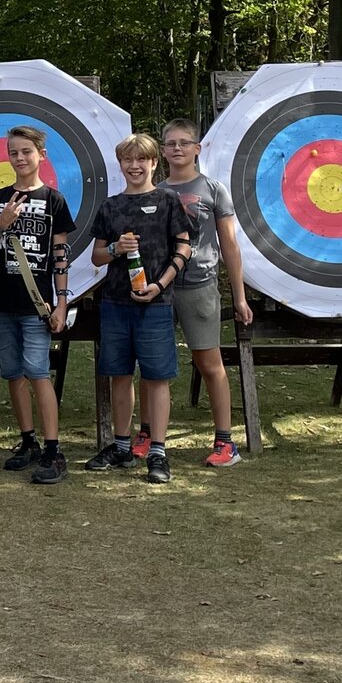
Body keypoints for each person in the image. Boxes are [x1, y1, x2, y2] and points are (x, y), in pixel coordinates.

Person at [134, 117, 253, 467]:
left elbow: (229, 244)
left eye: (184, 143)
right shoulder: (152, 191)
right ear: (162, 150)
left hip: (200, 285)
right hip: (158, 288)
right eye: (170, 143)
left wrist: (240, 297)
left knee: (209, 362)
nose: (177, 148)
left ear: (197, 149)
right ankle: (146, 434)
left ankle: (225, 442)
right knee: (152, 363)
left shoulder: (213, 189)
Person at [85, 133, 194, 484]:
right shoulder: (111, 206)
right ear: (121, 165)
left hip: (157, 303)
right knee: (119, 375)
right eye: (128, 160)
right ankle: (120, 446)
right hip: (115, 302)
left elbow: (184, 249)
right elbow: (97, 257)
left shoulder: (168, 201)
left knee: (157, 377)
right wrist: (116, 248)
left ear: (153, 163)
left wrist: (160, 285)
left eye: (141, 160)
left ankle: (158, 452)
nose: (134, 166)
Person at [0, 125, 75, 484]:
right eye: (13, 152)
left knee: (38, 371)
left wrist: (61, 303)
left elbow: (61, 255)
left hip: (38, 303)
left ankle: (53, 450)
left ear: (40, 155)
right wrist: (1, 225)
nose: (19, 158)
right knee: (13, 372)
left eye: (26, 152)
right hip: (3, 300)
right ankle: (28, 440)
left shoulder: (54, 200)